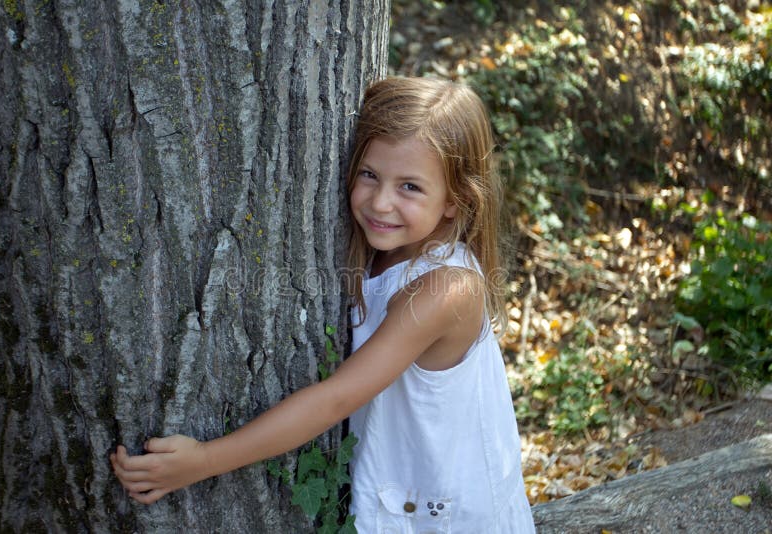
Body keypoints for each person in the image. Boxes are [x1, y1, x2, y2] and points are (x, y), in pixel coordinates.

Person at [111, 77, 536, 533]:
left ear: (455, 201)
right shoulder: (385, 250)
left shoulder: (445, 290)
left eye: (410, 187)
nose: (380, 202)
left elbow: (336, 399)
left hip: (453, 515)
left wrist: (204, 460)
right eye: (369, 174)